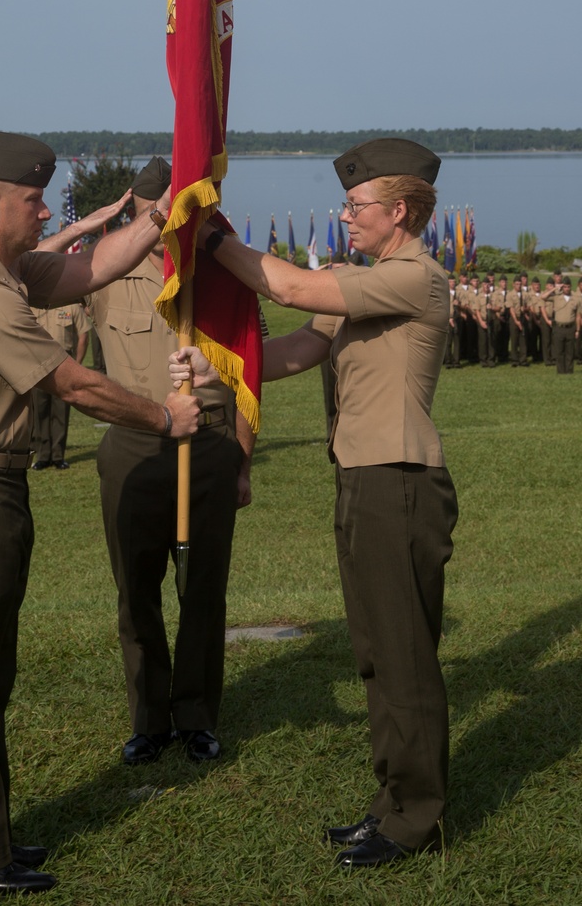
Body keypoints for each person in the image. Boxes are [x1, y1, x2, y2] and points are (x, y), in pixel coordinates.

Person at [0, 131, 200, 897]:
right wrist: (165, 419)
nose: (46, 212)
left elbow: (92, 265)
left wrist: (161, 215)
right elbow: (72, 383)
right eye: (35, 201)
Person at [173, 137, 456, 872]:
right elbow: (300, 347)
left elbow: (290, 290)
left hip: (400, 479)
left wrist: (212, 237)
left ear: (398, 211)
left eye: (356, 205)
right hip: (362, 477)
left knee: (404, 655)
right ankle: (390, 803)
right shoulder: (362, 279)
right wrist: (219, 366)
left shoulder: (416, 277)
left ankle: (416, 818)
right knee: (374, 653)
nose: (345, 215)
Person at [88, 157, 254, 766]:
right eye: (155, 215)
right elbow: (31, 286)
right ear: (137, 211)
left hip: (210, 445)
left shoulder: (220, 270)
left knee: (203, 590)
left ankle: (197, 714)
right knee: (136, 592)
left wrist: (242, 462)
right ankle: (149, 718)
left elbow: (247, 377)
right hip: (134, 446)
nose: (166, 229)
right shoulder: (104, 272)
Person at [29, 299, 88, 470]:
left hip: (64, 364)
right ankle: (42, 455)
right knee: (39, 411)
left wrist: (77, 365)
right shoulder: (32, 307)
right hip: (38, 365)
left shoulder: (71, 305)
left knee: (61, 411)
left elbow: (83, 334)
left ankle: (57, 456)